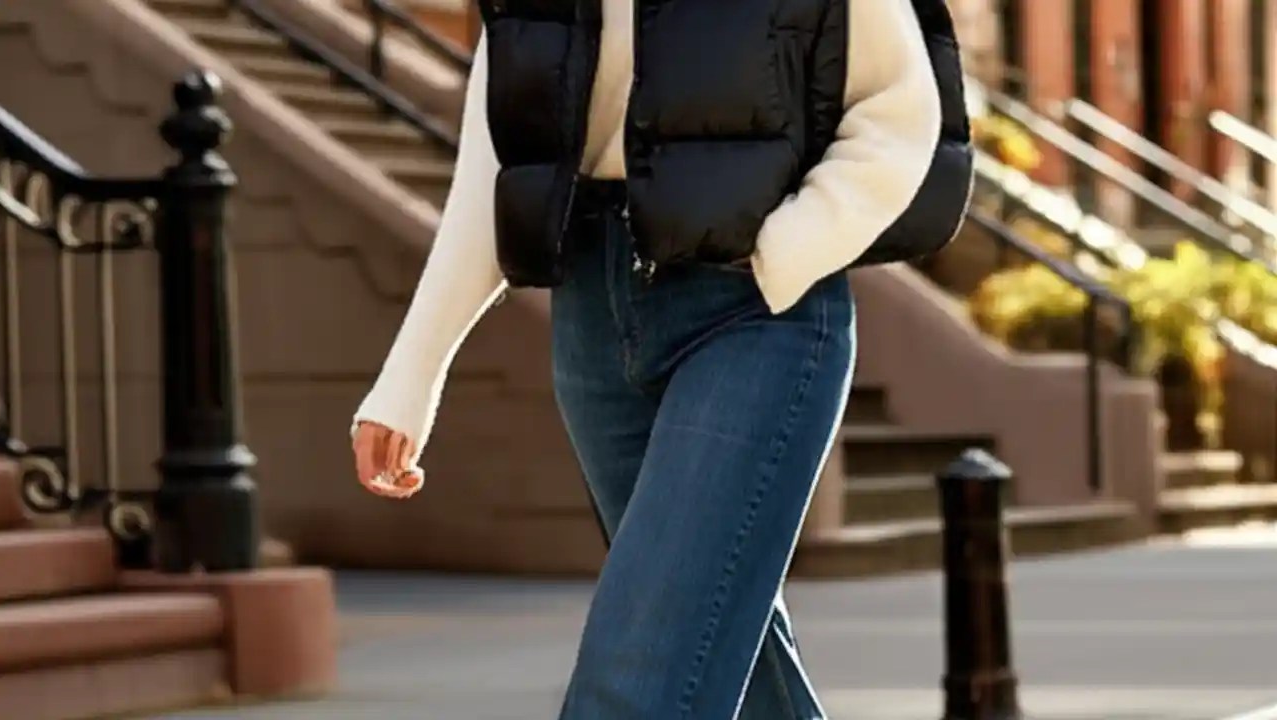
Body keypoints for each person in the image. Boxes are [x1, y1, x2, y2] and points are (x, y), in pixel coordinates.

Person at [351, 0, 970, 717]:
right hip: (591, 311)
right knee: (722, 651)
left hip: (751, 313)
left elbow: (897, 108)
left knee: (638, 683)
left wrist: (784, 253)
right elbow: (503, 149)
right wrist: (411, 374)